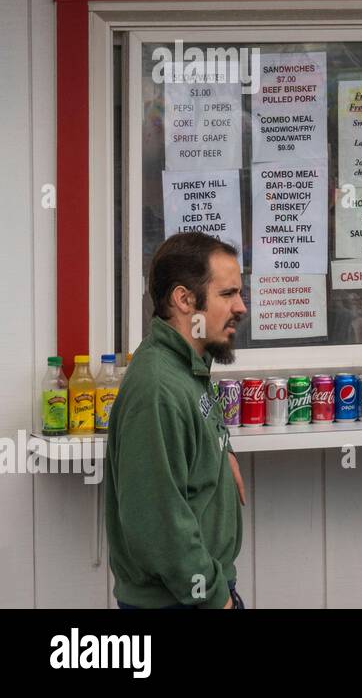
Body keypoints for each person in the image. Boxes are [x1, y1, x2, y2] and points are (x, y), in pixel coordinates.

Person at [105, 231, 248, 609]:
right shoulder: (157, 387)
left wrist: (222, 449)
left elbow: (197, 422)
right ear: (184, 300)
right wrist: (216, 598)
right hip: (181, 600)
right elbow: (158, 523)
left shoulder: (188, 363)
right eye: (228, 294)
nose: (241, 307)